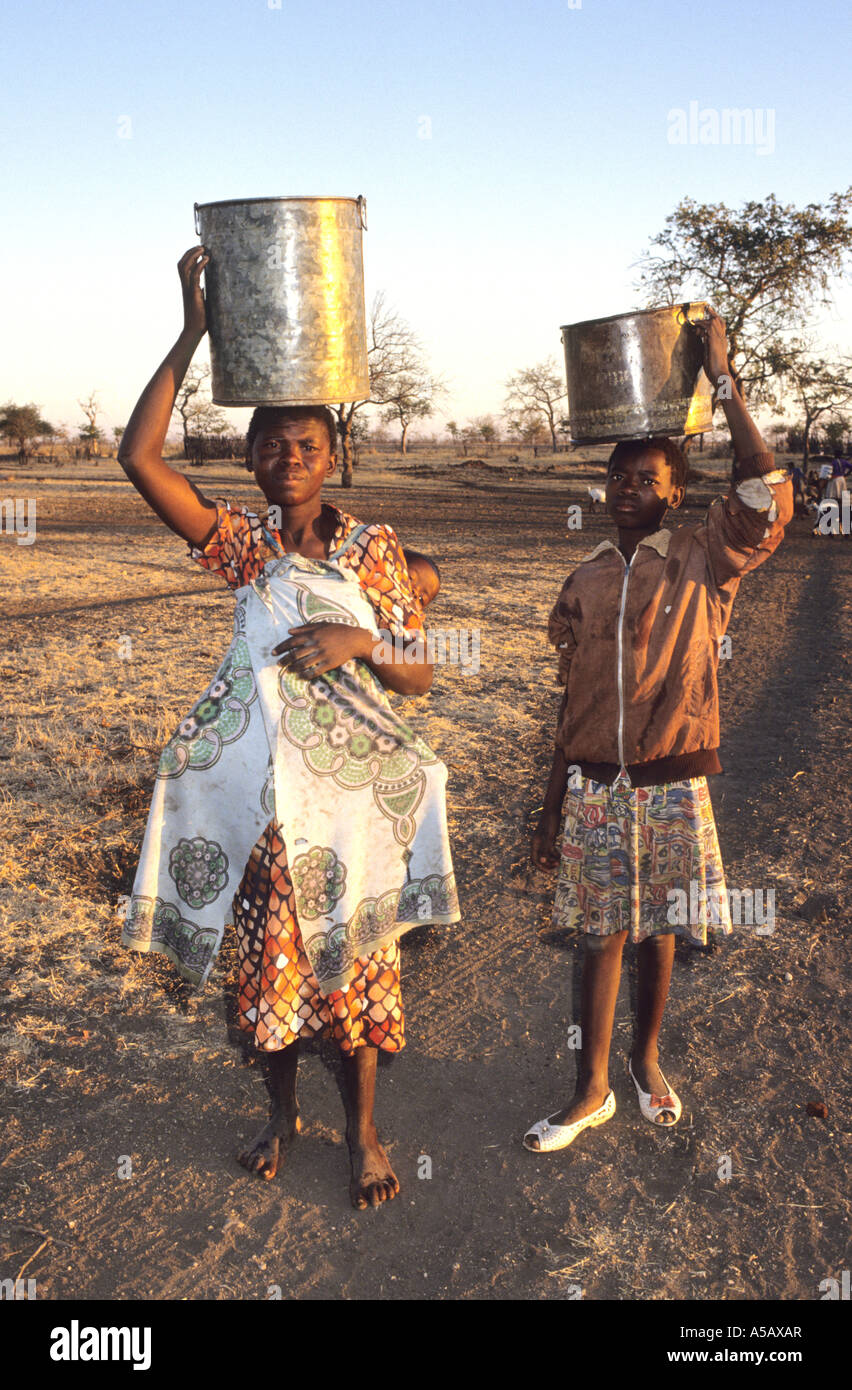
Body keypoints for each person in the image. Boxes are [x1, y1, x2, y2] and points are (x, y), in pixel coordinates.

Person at [118, 247, 460, 1208]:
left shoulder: (375, 550)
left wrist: (357, 637)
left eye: (305, 446)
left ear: (334, 457)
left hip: (349, 800)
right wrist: (192, 331)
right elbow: (139, 458)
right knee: (271, 977)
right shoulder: (245, 546)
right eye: (269, 446)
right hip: (267, 801)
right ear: (250, 458)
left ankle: (363, 1132)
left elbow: (424, 674)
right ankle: (280, 1115)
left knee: (350, 975)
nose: (287, 459)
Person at [523, 307, 792, 1153]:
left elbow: (764, 487)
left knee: (662, 931)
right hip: (596, 788)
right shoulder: (585, 580)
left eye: (648, 478)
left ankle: (647, 1063)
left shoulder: (706, 560)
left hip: (673, 783)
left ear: (677, 491)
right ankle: (592, 1088)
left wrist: (722, 378)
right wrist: (551, 798)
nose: (629, 489)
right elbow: (570, 708)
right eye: (618, 478)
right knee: (600, 935)